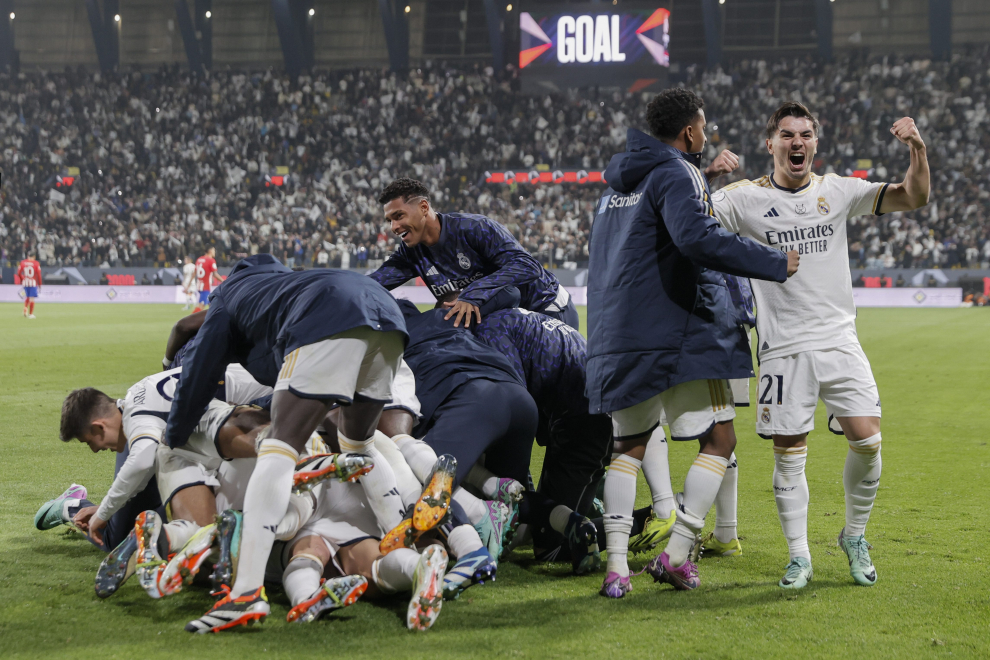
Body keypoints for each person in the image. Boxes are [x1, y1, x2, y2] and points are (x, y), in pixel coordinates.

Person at [586, 88, 799, 598]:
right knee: (720, 440)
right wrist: (773, 263)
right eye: (704, 128)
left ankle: (616, 569)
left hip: (617, 336)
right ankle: (677, 554)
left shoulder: (614, 189)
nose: (706, 136)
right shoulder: (677, 172)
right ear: (689, 131)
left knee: (626, 448)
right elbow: (696, 238)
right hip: (674, 332)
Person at [711, 102, 930, 589]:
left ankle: (853, 536)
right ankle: (799, 557)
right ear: (770, 144)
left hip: (837, 339)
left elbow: (914, 195)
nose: (797, 143)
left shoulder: (837, 190)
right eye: (787, 135)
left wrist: (917, 147)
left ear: (816, 142)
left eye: (805, 135)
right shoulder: (743, 198)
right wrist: (702, 173)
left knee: (868, 440)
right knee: (790, 453)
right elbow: (688, 221)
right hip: (783, 347)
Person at [164, 254, 411, 633]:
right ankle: (406, 551)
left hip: (330, 318)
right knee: (359, 445)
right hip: (388, 318)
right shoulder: (288, 282)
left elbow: (199, 369)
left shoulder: (230, 293)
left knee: (279, 447)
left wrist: (175, 434)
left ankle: (245, 593)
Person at [471, 306, 613, 566]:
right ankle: (588, 500)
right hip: (583, 412)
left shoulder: (488, 335)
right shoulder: (507, 319)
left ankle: (647, 522)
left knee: (551, 547)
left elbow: (516, 410)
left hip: (584, 422)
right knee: (547, 517)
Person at [369, 177, 579, 329]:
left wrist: (473, 292)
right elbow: (372, 284)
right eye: (389, 220)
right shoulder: (410, 254)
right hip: (505, 321)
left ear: (424, 207)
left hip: (547, 307)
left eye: (398, 216)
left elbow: (527, 265)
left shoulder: (474, 228)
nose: (394, 227)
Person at [194, 247, 219, 312]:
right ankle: (190, 321)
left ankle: (214, 319)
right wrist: (224, 281)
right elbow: (215, 274)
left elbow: (194, 273)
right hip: (206, 286)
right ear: (210, 251)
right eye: (214, 250)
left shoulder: (199, 259)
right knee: (201, 306)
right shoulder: (211, 260)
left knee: (211, 304)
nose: (214, 252)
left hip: (199, 285)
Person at [17, 253, 41, 319]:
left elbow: (19, 272)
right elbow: (38, 274)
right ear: (34, 256)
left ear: (28, 256)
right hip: (33, 282)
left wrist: (22, 279)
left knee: (27, 296)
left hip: (25, 282)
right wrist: (40, 284)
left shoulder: (23, 262)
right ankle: (31, 314)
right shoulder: (36, 263)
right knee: (32, 298)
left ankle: (25, 307)